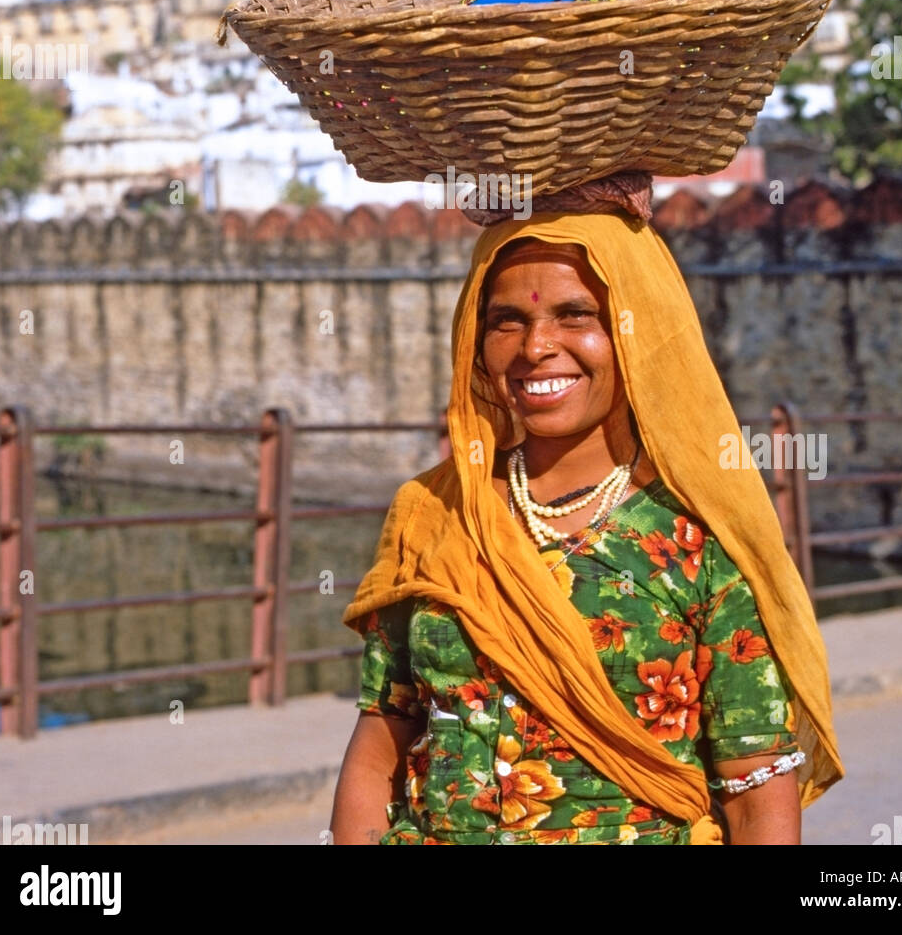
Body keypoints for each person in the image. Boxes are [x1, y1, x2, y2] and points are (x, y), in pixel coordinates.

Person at [331, 199, 843, 845]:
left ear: (636, 328)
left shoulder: (698, 538)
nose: (536, 347)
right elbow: (379, 746)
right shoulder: (436, 513)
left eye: (575, 316)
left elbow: (752, 788)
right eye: (505, 322)